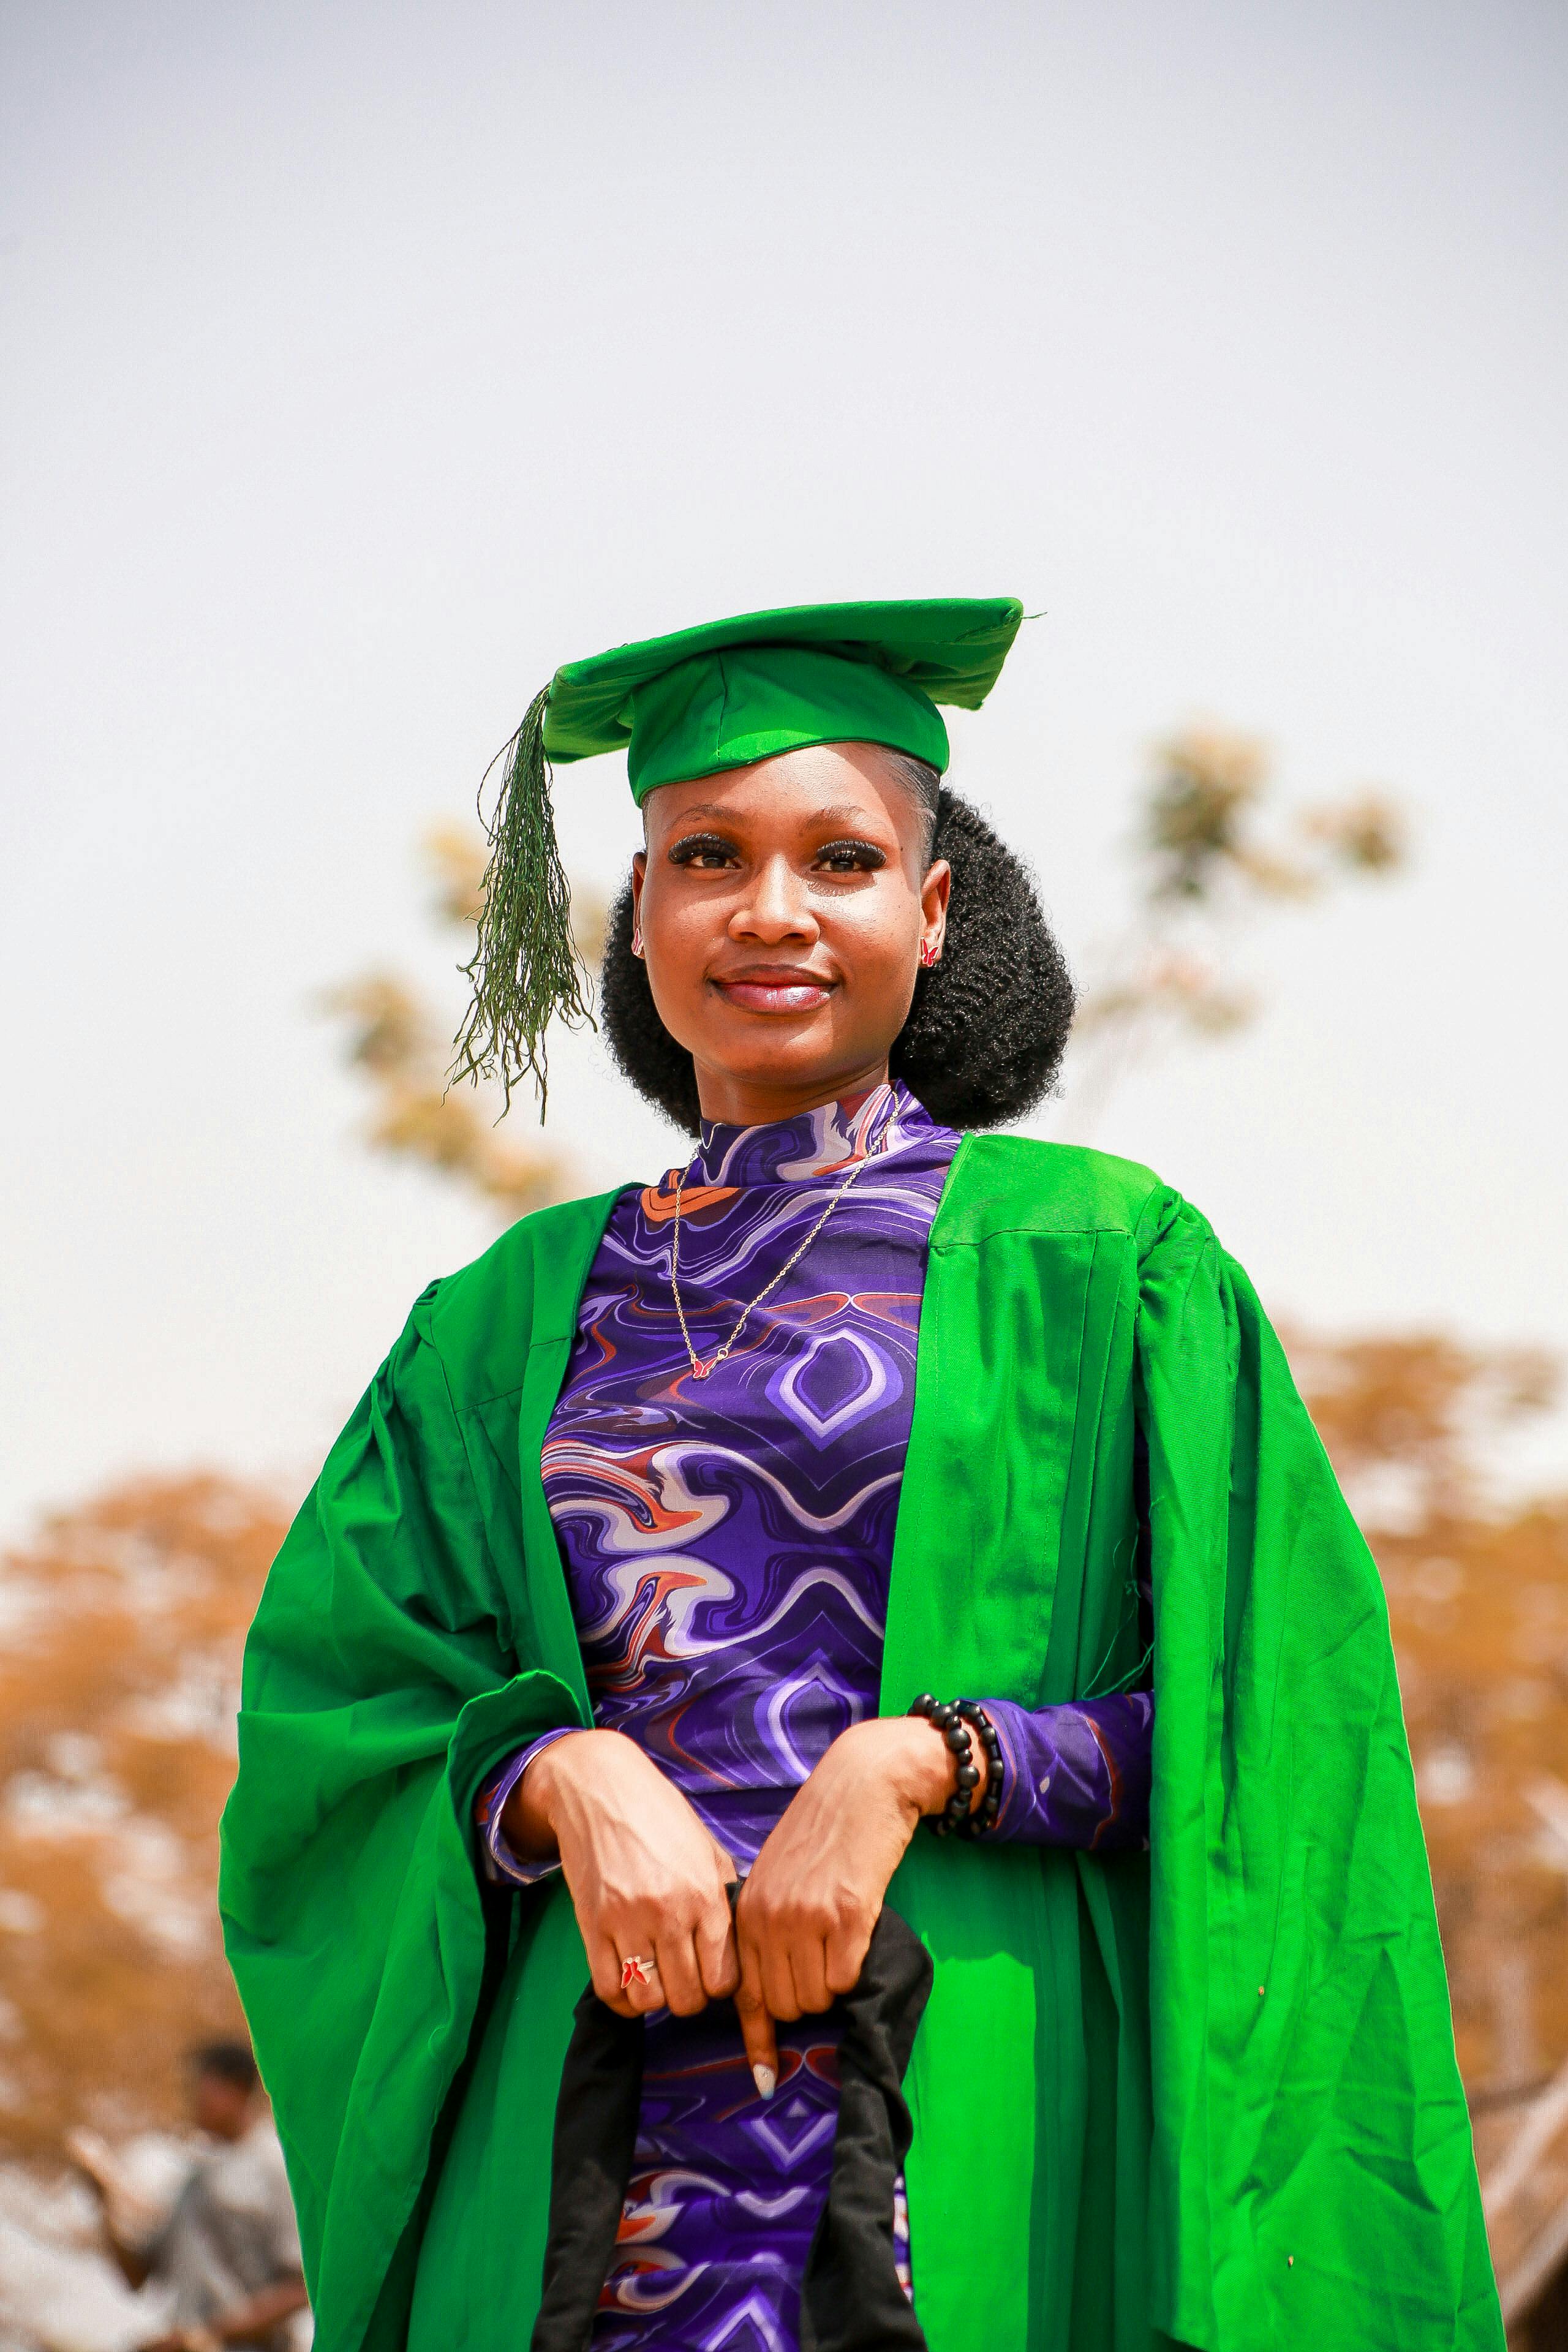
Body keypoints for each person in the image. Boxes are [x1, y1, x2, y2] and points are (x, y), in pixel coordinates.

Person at [220, 600, 1502, 2352]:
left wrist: (924, 1763)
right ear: (641, 912)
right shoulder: (499, 1320)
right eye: (706, 857)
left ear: (931, 906)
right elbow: (339, 1725)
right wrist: (562, 1779)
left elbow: (1265, 1732)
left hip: (968, 2122)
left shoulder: (1104, 1263)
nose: (770, 911)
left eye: (839, 857)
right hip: (587, 2166)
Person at [68, 2038, 309, 2351]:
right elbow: (137, 2276)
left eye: (202, 2088)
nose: (192, 2099)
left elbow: (299, 2288)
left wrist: (209, 2334)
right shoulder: (193, 2181)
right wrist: (104, 2202)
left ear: (235, 2091)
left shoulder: (273, 2167)